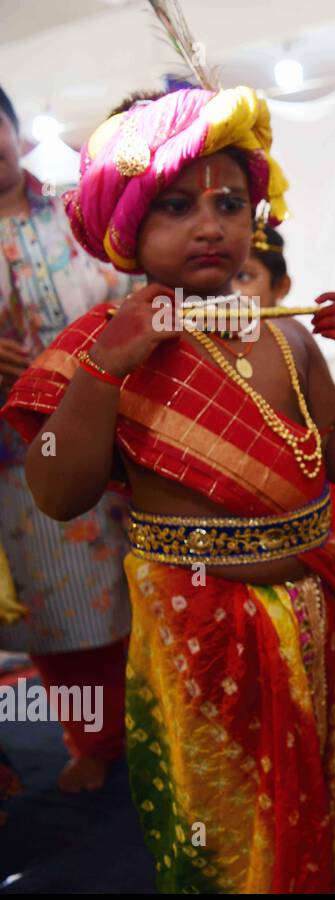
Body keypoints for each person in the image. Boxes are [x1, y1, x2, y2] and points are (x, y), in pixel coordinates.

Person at [2, 85, 335, 893]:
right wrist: (107, 367)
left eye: (230, 202)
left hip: (307, 622)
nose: (210, 224)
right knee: (227, 823)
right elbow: (57, 492)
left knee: (322, 794)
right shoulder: (103, 344)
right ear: (127, 225)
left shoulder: (286, 337)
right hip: (195, 635)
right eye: (177, 205)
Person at [0, 83, 135, 793]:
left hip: (117, 431)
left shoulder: (77, 214)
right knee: (57, 605)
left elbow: (133, 287)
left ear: (15, 131)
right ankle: (90, 738)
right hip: (17, 456)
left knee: (135, 585)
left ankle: (150, 723)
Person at [234, 225, 335, 682]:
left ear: (281, 288)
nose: (232, 291)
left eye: (245, 277)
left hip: (295, 587)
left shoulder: (293, 342)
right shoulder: (162, 340)